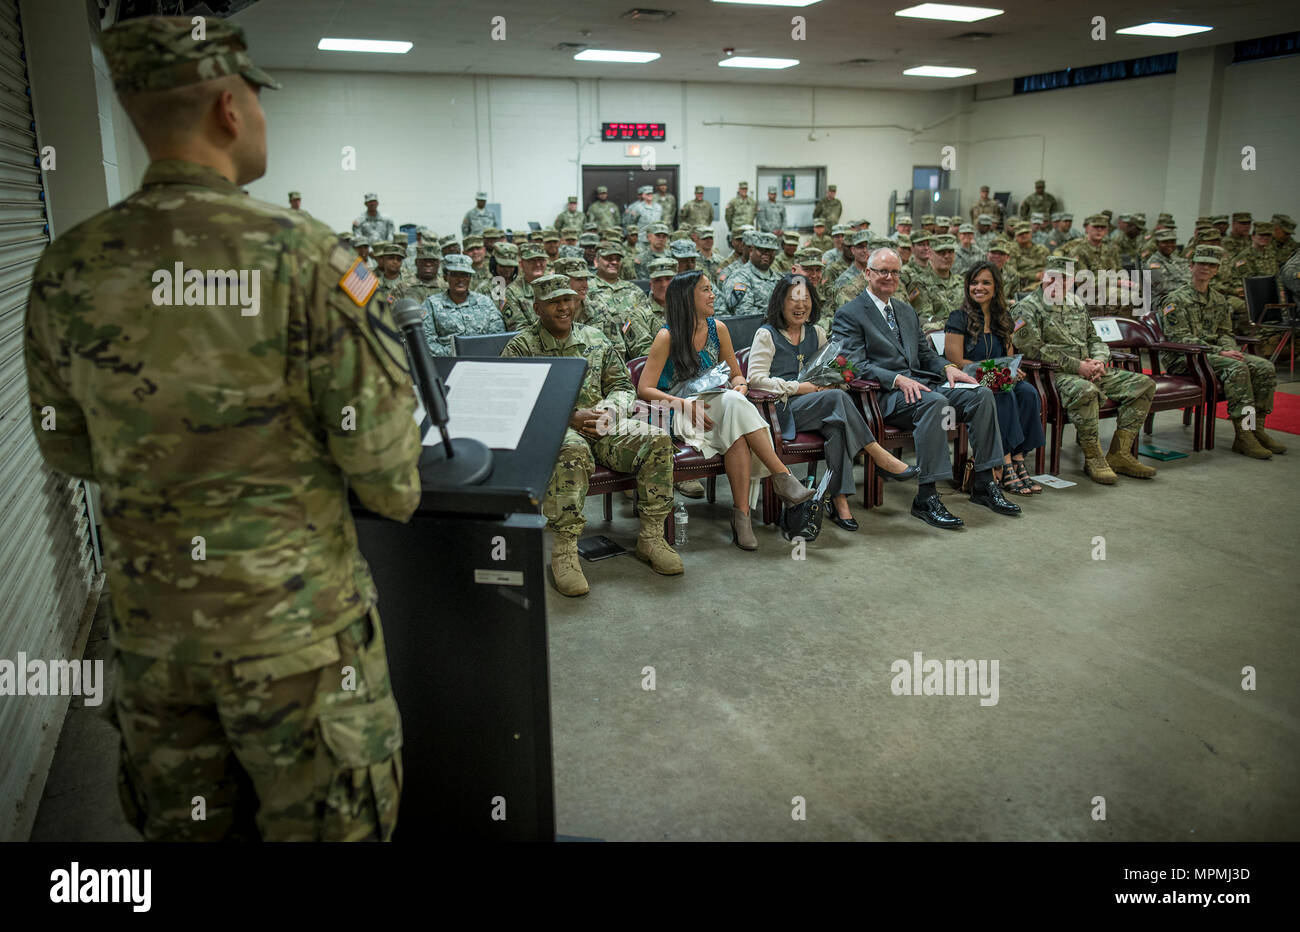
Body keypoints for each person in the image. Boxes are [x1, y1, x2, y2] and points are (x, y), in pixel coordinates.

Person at [24, 15, 420, 841]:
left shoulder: (69, 265)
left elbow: (67, 448)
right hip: (301, 653)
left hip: (154, 649)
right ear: (231, 109)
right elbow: (388, 475)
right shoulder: (312, 260)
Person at [502, 275, 681, 596]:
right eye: (554, 301)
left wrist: (612, 411)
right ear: (537, 307)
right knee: (571, 451)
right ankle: (565, 551)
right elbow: (511, 402)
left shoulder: (595, 338)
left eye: (568, 299)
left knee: (657, 438)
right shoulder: (521, 347)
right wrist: (568, 418)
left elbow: (622, 387)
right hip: (555, 432)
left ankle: (652, 536)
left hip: (603, 425)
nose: (564, 307)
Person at [830, 247, 1020, 529]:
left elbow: (925, 354)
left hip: (921, 385)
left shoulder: (905, 311)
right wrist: (896, 379)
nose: (889, 277)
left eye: (895, 272)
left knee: (980, 393)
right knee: (934, 402)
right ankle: (927, 497)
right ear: (867, 273)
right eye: (883, 271)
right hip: (883, 395)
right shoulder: (850, 313)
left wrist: (948, 368)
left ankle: (984, 482)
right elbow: (853, 365)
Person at [636, 271, 816, 550]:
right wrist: (684, 404)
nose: (713, 295)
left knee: (736, 420)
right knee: (734, 408)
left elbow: (736, 376)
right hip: (680, 412)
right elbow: (645, 389)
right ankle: (782, 478)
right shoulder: (666, 336)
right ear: (687, 297)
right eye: (706, 290)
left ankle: (742, 516)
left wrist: (740, 386)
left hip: (720, 408)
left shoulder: (718, 329)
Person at [747, 274, 918, 528]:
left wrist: (835, 381)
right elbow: (755, 380)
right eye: (793, 299)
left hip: (819, 406)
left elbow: (830, 370)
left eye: (806, 299)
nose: (800, 305)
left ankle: (840, 500)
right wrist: (798, 387)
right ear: (780, 303)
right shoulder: (767, 334)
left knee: (837, 424)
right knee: (837, 399)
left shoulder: (816, 332)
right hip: (781, 409)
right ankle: (877, 453)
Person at [1014, 257, 1157, 484]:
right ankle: (1094, 457)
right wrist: (1077, 366)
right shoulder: (1027, 307)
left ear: (1071, 281)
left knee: (1143, 385)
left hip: (1088, 369)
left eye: (1064, 278)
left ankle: (1120, 453)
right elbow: (1032, 350)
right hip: (1052, 376)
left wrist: (1100, 360)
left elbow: (1094, 338)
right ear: (1043, 276)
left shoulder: (1076, 303)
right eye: (1053, 277)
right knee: (1085, 391)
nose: (1057, 282)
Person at [1160, 249, 1284, 458]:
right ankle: (1243, 435)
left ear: (1217, 270)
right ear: (1191, 266)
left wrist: (1232, 350)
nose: (1206, 268)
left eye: (1212, 265)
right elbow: (1178, 337)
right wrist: (1221, 351)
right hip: (1184, 358)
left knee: (1264, 367)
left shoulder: (1218, 300)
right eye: (1201, 264)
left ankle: (1256, 428)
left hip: (1215, 356)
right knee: (1237, 367)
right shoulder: (1175, 300)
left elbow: (1225, 332)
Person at [944, 262, 1046, 494]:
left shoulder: (1004, 319)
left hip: (996, 379)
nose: (979, 287)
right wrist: (997, 371)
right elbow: (956, 361)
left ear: (996, 287)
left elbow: (1008, 359)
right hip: (966, 381)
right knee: (1000, 392)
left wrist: (1013, 371)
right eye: (974, 282)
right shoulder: (958, 317)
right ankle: (1006, 461)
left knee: (1028, 392)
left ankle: (1019, 459)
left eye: (985, 282)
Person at [422, 254, 507, 355]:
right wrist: (455, 354)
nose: (460, 279)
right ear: (445, 276)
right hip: (447, 363)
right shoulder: (431, 304)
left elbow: (498, 336)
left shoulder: (485, 302)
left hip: (483, 360)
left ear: (470, 277)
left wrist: (480, 353)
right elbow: (426, 342)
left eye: (465, 275)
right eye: (455, 274)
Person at [723, 230, 781, 315]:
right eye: (761, 250)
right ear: (751, 250)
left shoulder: (779, 278)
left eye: (770, 251)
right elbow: (744, 313)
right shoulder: (739, 278)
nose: (766, 254)